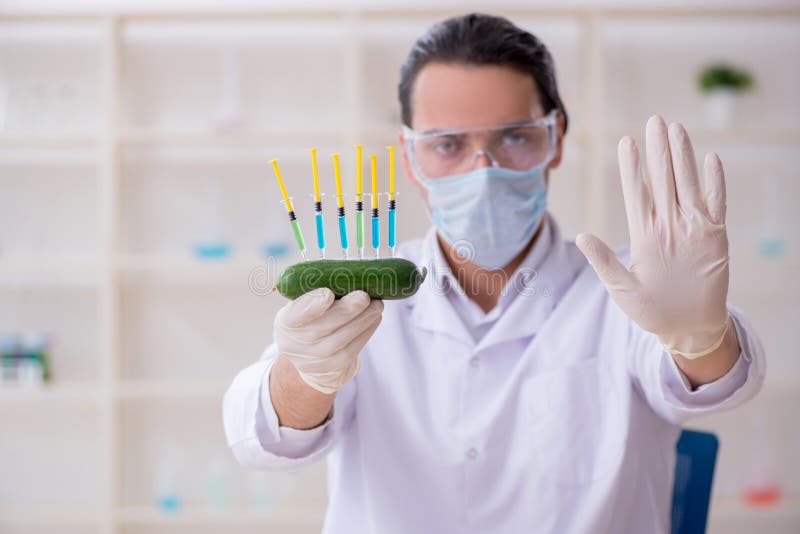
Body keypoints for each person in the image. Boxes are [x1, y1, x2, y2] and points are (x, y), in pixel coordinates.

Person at [223, 13, 765, 533]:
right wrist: (306, 373)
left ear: (555, 138)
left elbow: (717, 384)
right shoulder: (360, 291)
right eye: (447, 144)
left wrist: (699, 337)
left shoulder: (630, 289)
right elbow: (262, 439)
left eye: (514, 137)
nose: (481, 170)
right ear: (409, 159)